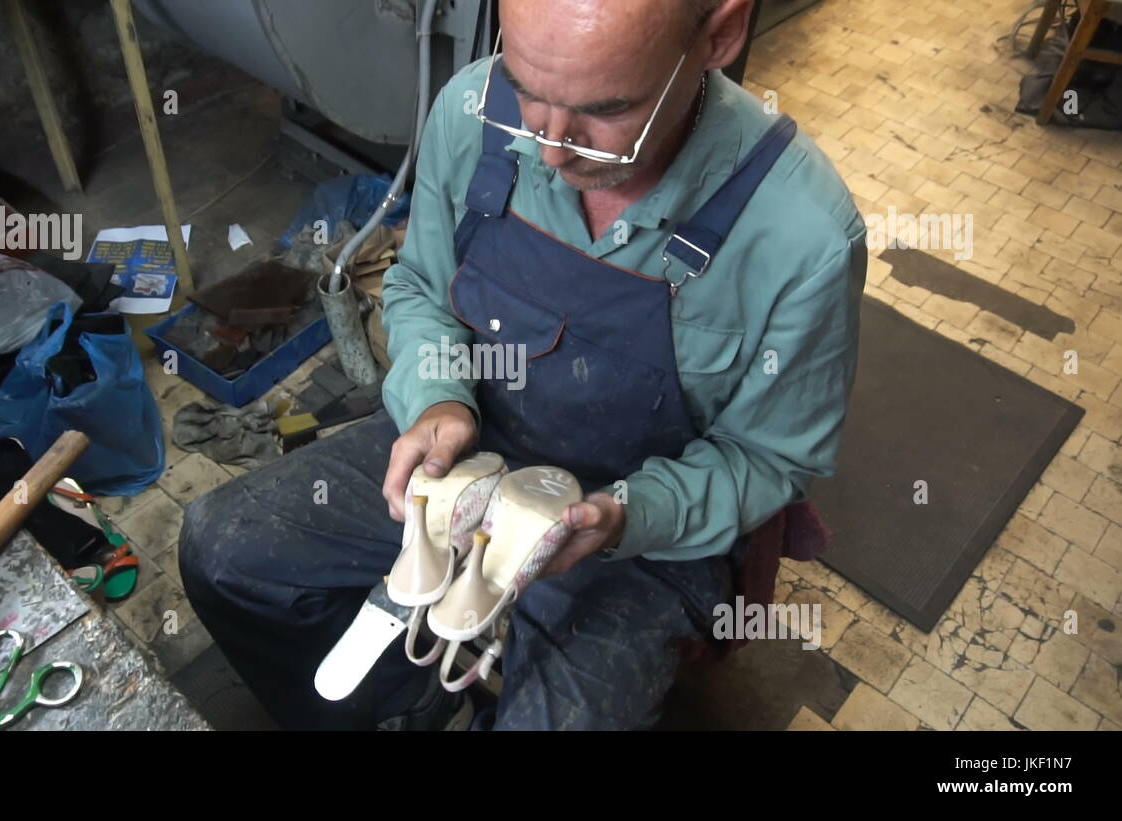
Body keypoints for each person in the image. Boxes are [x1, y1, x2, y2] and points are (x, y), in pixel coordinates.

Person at [180, 0, 867, 730]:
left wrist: (624, 517)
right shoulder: (475, 108)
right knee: (226, 550)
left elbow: (766, 458)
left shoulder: (803, 235)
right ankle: (407, 707)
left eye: (605, 110)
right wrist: (438, 399)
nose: (547, 151)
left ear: (719, 35)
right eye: (527, 90)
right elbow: (419, 286)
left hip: (641, 532)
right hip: (470, 459)